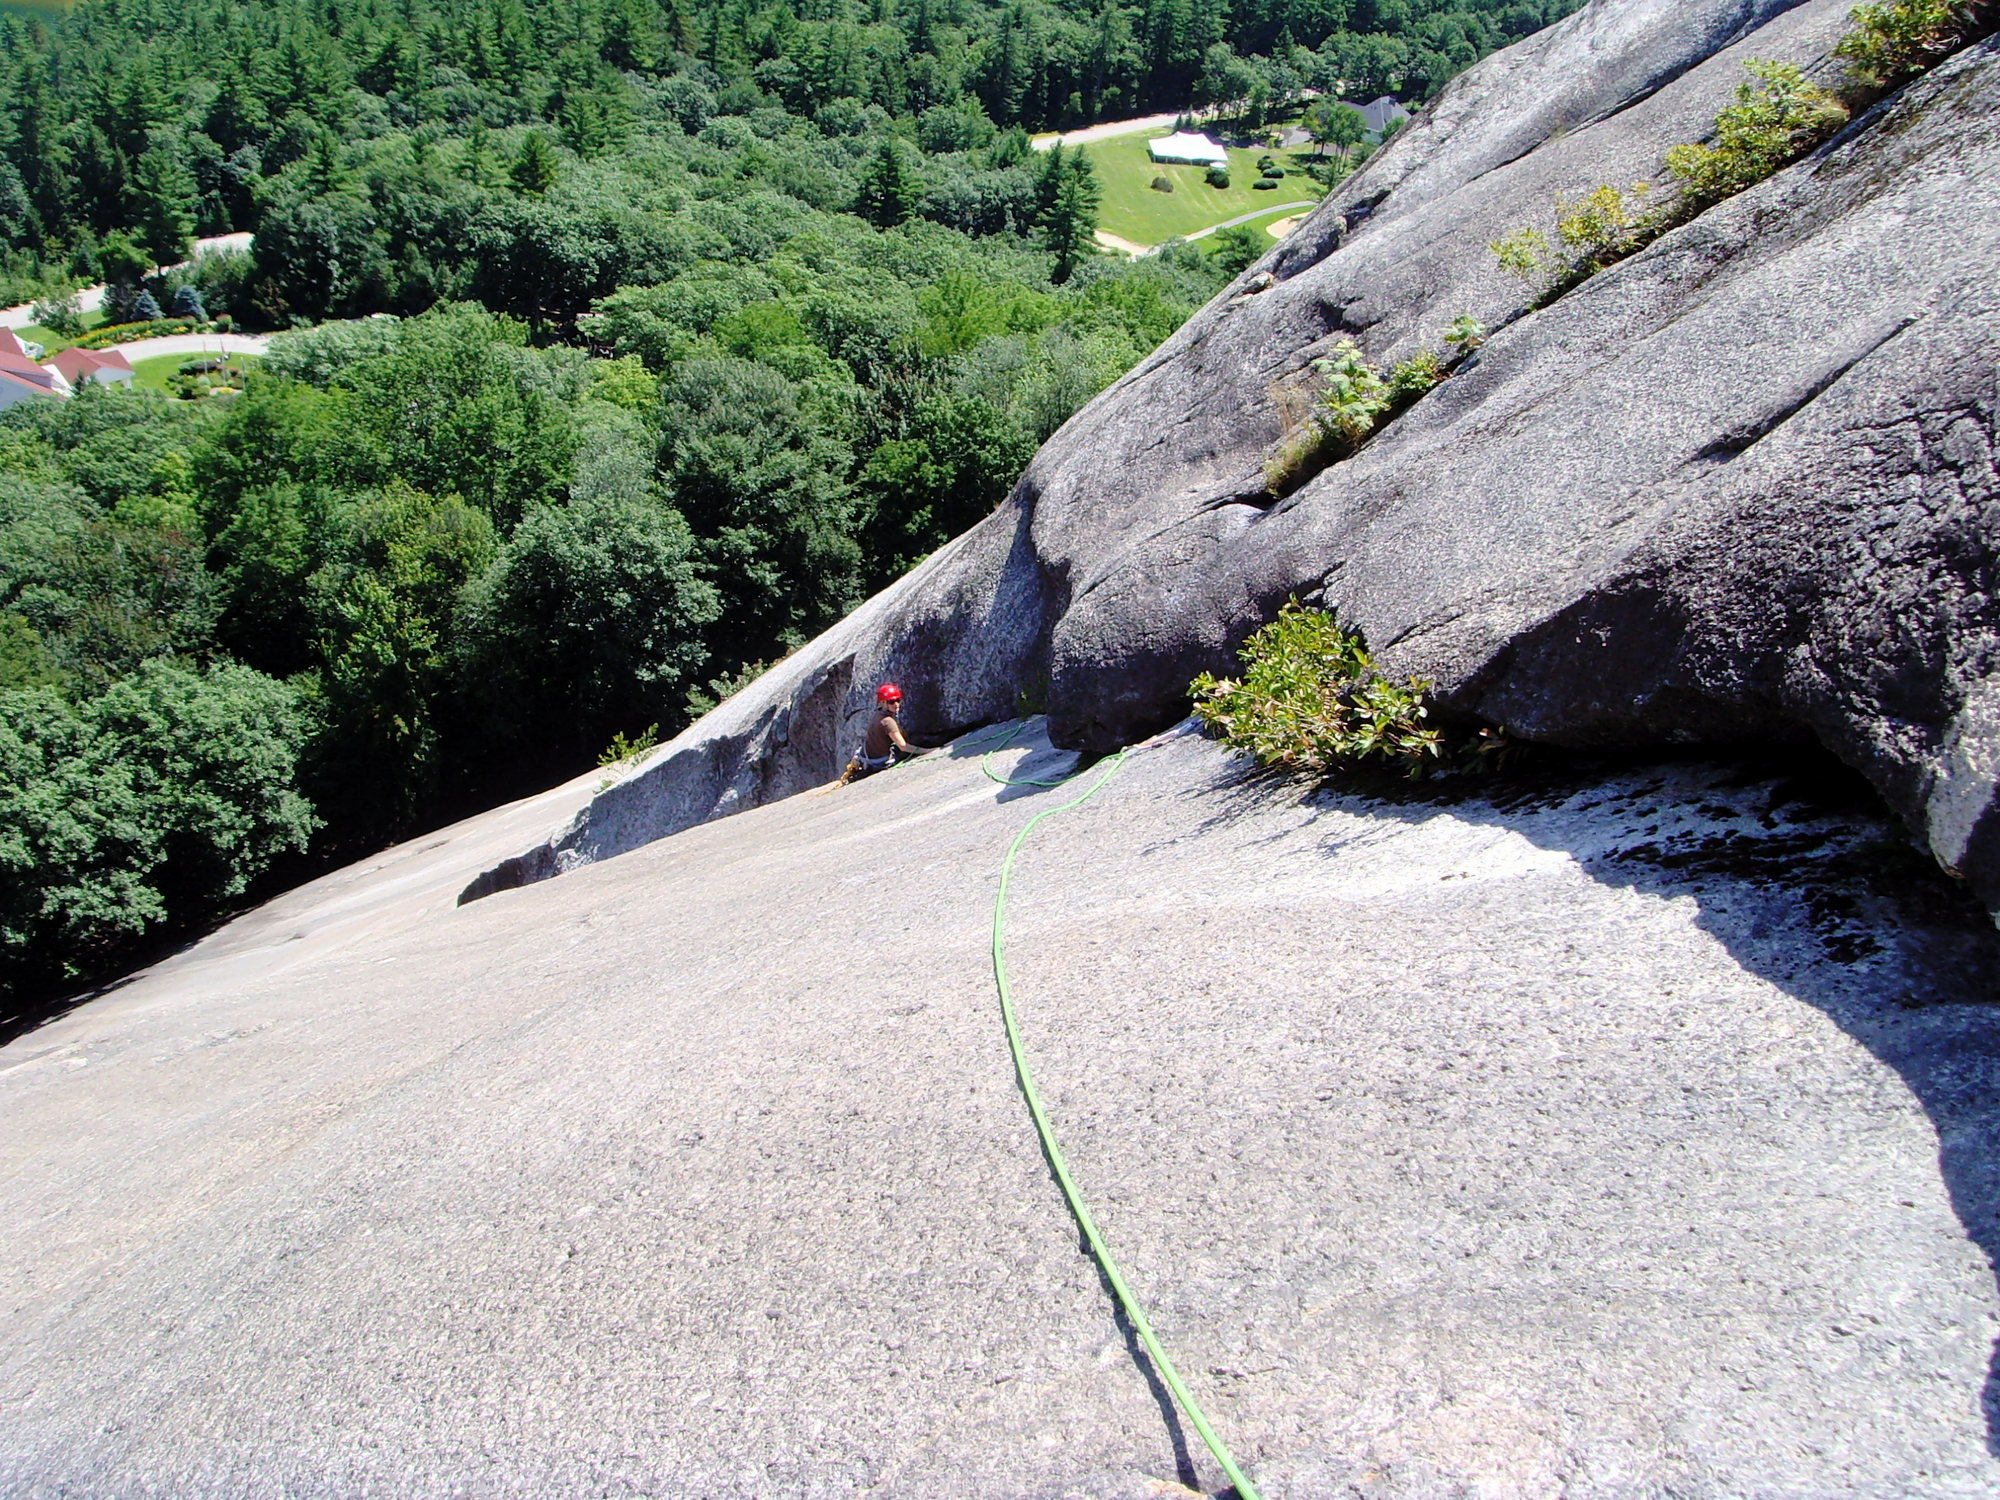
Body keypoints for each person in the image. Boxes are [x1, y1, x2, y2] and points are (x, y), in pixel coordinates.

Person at [850, 683, 933, 779]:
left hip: (866, 756)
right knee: (917, 741)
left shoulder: (878, 714)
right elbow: (903, 747)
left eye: (898, 700)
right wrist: (927, 751)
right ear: (883, 702)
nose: (896, 704)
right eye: (892, 702)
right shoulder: (888, 722)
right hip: (879, 761)